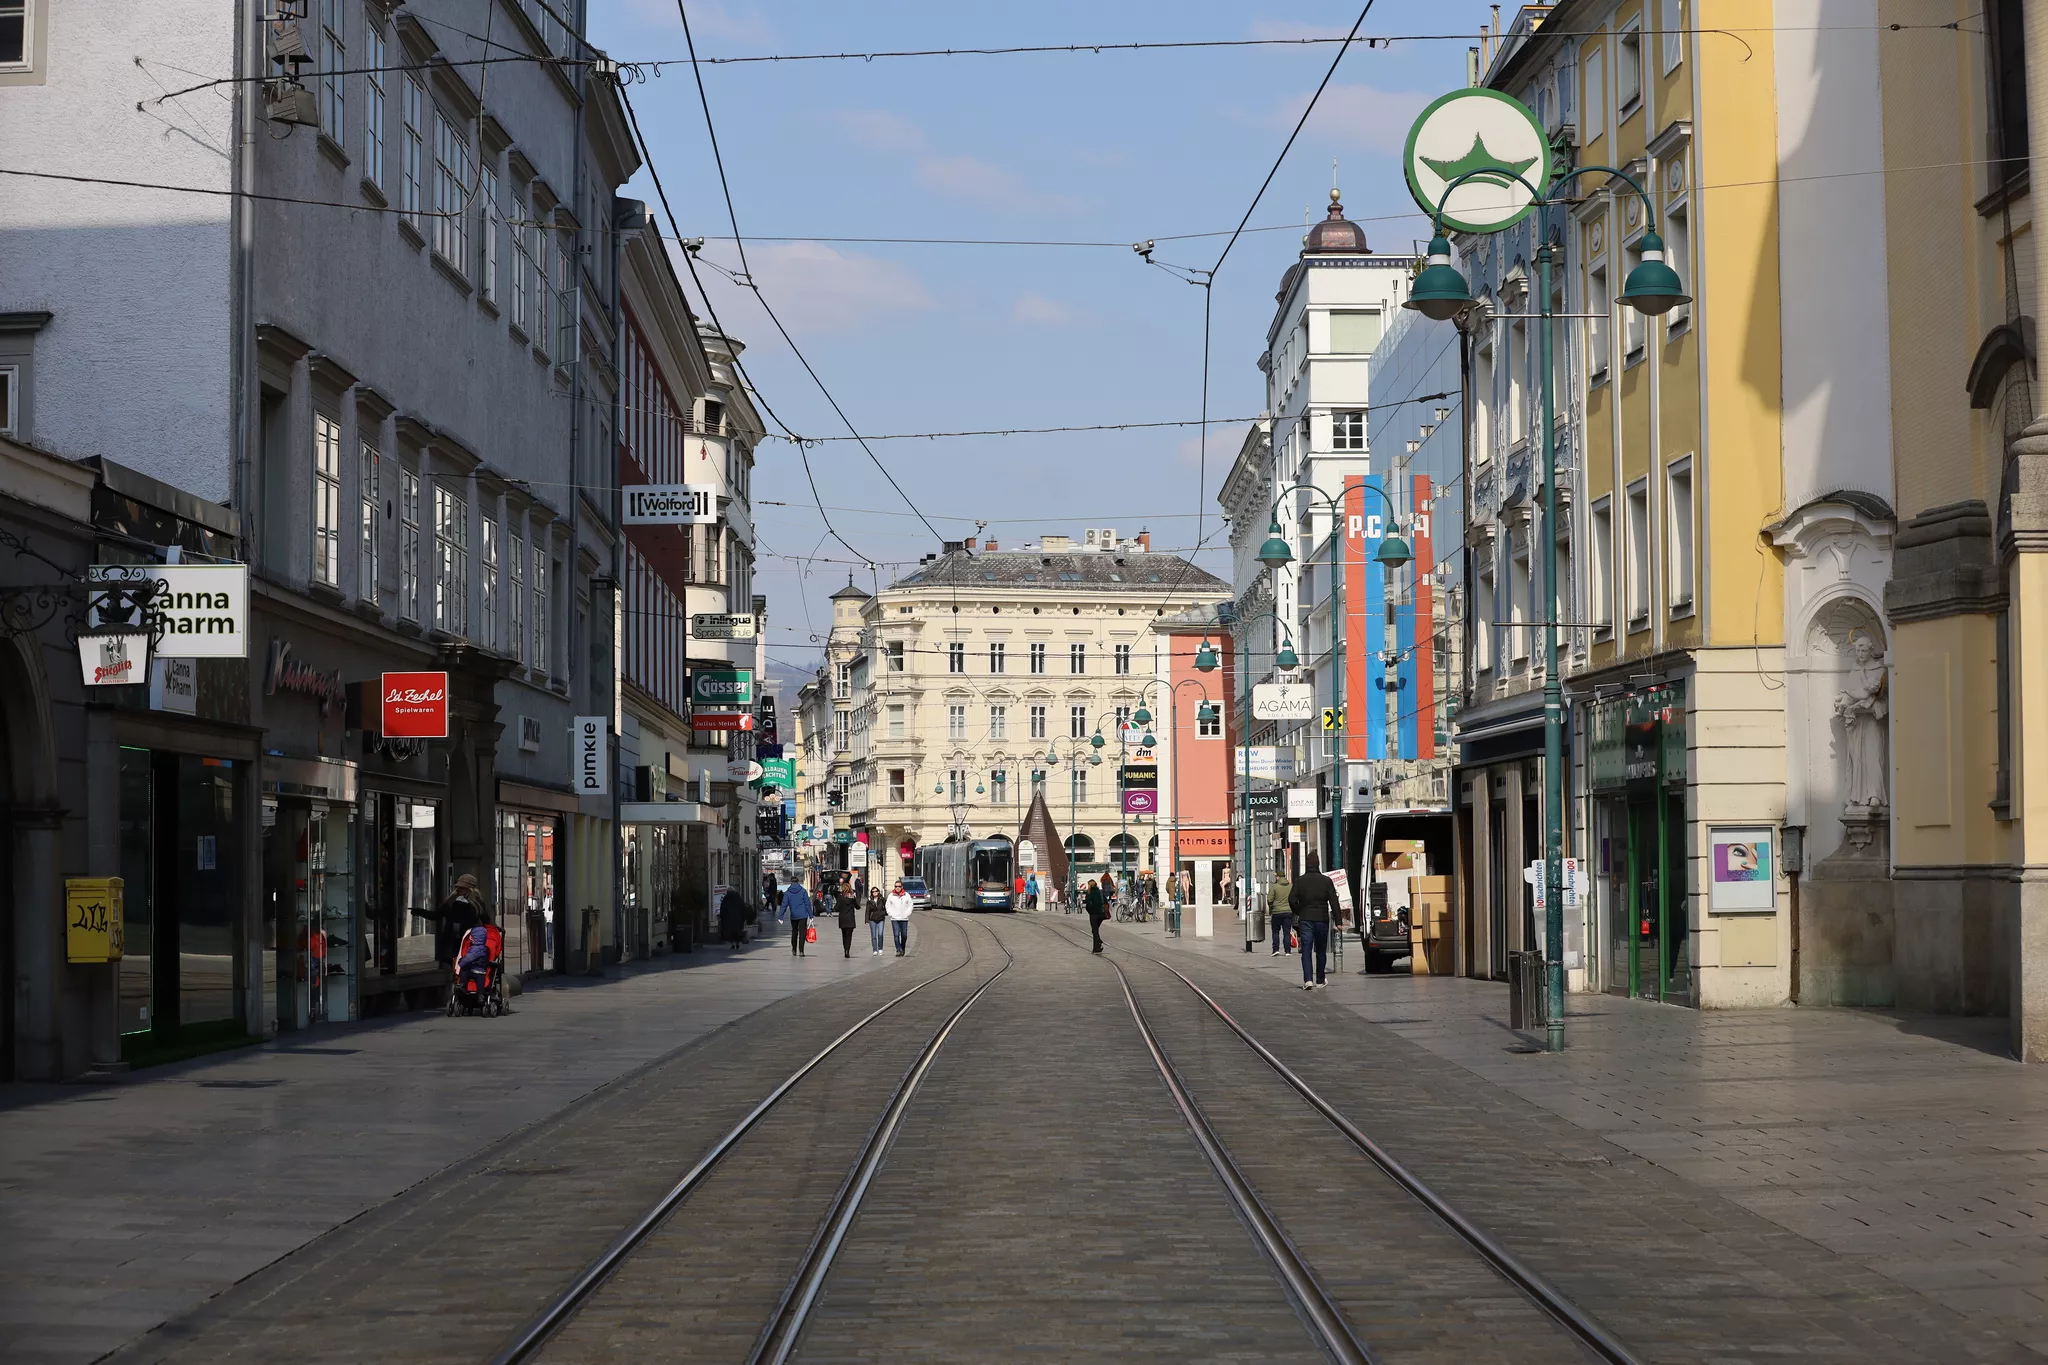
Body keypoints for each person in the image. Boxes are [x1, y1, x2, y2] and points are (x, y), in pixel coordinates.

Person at [1290, 852, 1341, 989]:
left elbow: (1292, 899)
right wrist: (1338, 920)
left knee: (1306, 949)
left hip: (1306, 918)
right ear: (1318, 864)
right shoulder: (1326, 881)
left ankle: (1308, 980)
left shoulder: (1300, 880)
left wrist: (1299, 910)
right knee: (1320, 950)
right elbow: (1334, 901)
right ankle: (1320, 979)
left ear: (1307, 864)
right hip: (1322, 919)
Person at [782, 877, 814, 957]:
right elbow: (807, 904)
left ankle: (794, 949)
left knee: (794, 932)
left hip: (794, 915)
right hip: (803, 915)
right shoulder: (803, 891)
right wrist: (811, 915)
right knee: (802, 933)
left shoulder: (787, 893)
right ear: (798, 881)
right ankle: (801, 951)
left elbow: (784, 905)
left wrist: (780, 916)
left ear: (791, 882)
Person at [1269, 864, 1295, 957]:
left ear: (1278, 877)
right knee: (1286, 931)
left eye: (1276, 876)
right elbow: (1294, 898)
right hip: (1288, 912)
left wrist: (1272, 907)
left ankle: (1275, 949)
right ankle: (1288, 951)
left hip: (1276, 912)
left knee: (1275, 931)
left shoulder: (1274, 887)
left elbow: (1269, 899)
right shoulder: (1290, 886)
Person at [885, 879, 914, 956]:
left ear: (902, 887)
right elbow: (888, 905)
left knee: (904, 935)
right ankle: (898, 950)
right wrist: (890, 913)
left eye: (899, 886)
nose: (897, 888)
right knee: (896, 935)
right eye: (896, 886)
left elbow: (910, 904)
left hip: (904, 918)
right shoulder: (891, 895)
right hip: (895, 919)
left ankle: (902, 947)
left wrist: (907, 913)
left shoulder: (906, 895)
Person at [835, 875, 860, 958]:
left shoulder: (840, 898)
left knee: (844, 935)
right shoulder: (852, 898)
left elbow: (836, 908)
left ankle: (845, 950)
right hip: (850, 920)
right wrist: (854, 900)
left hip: (842, 919)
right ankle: (847, 951)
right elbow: (858, 907)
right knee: (849, 936)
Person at [1084, 875, 1109, 953]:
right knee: (1095, 930)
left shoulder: (1089, 893)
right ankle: (1096, 947)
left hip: (1094, 914)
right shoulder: (1100, 892)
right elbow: (1105, 902)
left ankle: (1098, 943)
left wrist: (1090, 912)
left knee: (1094, 930)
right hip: (1101, 914)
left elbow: (1088, 904)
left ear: (1090, 885)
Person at [718, 883, 749, 948]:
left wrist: (721, 917)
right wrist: (744, 917)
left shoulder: (726, 898)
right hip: (738, 919)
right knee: (737, 932)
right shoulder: (739, 898)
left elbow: (723, 908)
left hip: (728, 919)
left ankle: (732, 944)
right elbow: (743, 908)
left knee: (730, 932)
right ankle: (737, 943)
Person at [865, 884, 887, 955]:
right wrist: (866, 920)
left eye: (876, 891)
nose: (874, 892)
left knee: (880, 934)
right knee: (874, 935)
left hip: (881, 919)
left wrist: (884, 913)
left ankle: (880, 948)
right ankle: (875, 950)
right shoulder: (869, 900)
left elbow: (887, 907)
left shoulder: (882, 899)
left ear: (878, 892)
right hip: (872, 919)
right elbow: (867, 910)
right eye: (873, 891)